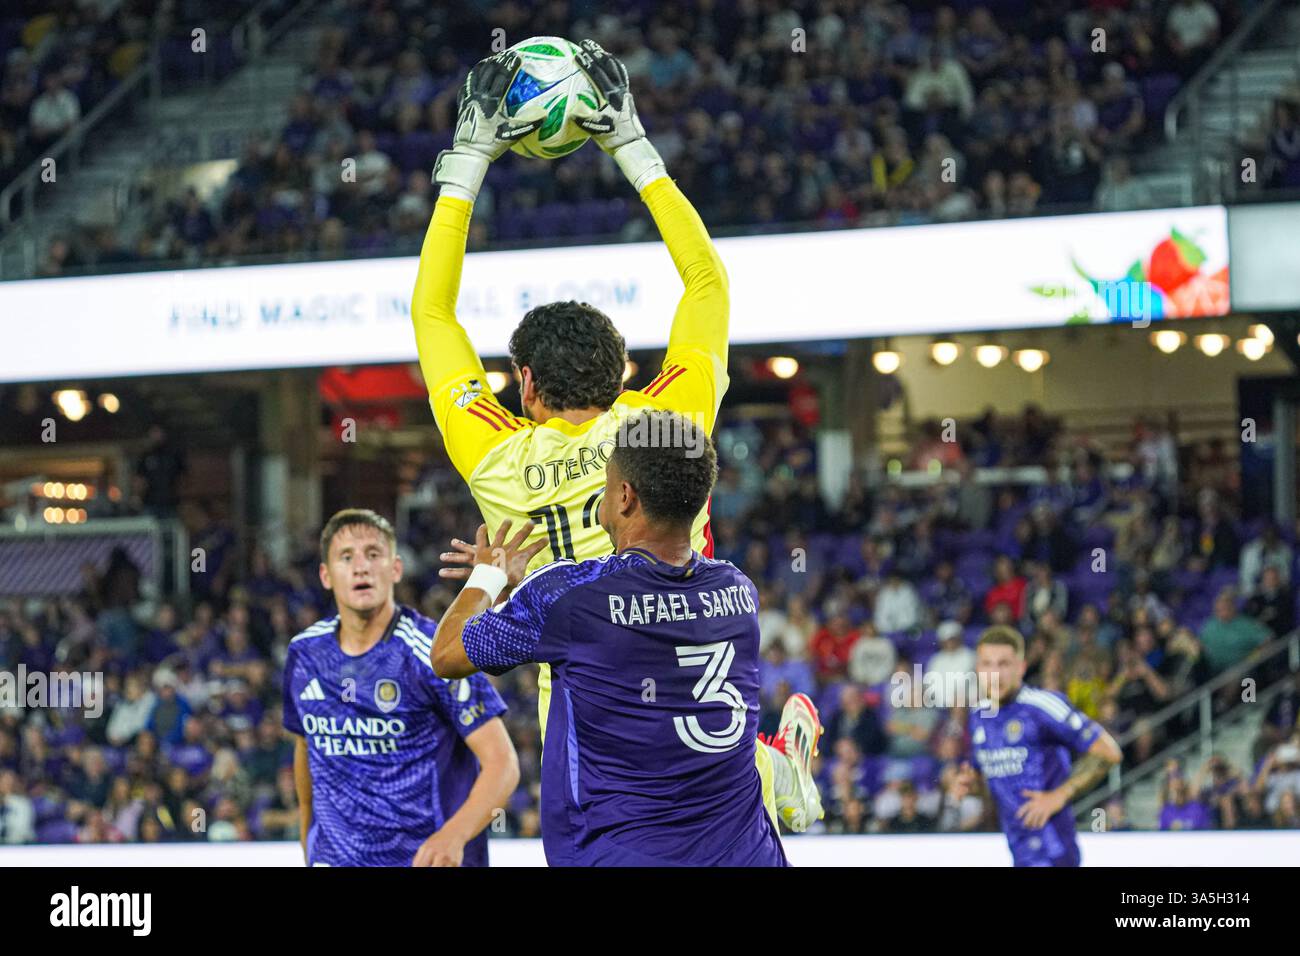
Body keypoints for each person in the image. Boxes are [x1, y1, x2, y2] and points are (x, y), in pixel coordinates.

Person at [412, 44, 821, 832]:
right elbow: (707, 282)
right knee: (708, 799)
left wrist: (468, 161)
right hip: (697, 648)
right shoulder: (666, 425)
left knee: (614, 831)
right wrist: (631, 144)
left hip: (582, 689)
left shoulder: (496, 454)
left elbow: (433, 315)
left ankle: (765, 772)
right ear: (623, 369)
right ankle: (765, 769)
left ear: (524, 383)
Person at [430, 411, 796, 865]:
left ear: (624, 496)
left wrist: (486, 575)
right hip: (747, 854)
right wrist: (534, 590)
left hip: (621, 853)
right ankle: (774, 766)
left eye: (605, 484)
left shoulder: (567, 596)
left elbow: (446, 655)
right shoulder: (738, 591)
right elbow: (634, 621)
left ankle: (776, 766)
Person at [282, 509, 519, 866]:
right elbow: (306, 749)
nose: (361, 567)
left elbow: (503, 763)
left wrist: (453, 836)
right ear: (326, 575)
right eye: (346, 558)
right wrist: (308, 843)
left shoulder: (433, 652)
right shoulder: (304, 653)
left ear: (395, 569)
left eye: (373, 554)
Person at [951, 626, 1122, 866]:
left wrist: (1060, 795)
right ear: (978, 669)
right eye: (987, 664)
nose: (995, 674)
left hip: (1053, 851)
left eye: (1003, 664)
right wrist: (973, 786)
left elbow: (1109, 752)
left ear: (1021, 667)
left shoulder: (1042, 706)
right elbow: (996, 783)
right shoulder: (979, 716)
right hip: (1020, 853)